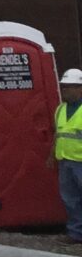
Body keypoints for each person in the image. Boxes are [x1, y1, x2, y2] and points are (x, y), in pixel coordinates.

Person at [53, 68, 82, 245]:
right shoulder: (61, 110)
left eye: (69, 86)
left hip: (80, 161)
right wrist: (52, 156)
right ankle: (76, 233)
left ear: (80, 88)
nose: (65, 90)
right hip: (65, 161)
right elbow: (58, 134)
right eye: (63, 86)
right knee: (70, 199)